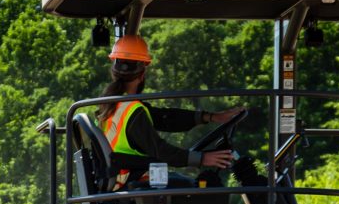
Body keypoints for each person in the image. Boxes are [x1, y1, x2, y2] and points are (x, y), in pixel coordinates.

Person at [98, 34, 245, 191]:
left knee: (188, 183)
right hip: (132, 183)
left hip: (121, 181)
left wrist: (210, 117)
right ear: (142, 74)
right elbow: (161, 151)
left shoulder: (112, 105)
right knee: (196, 189)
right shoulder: (133, 111)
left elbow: (166, 118)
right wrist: (202, 158)